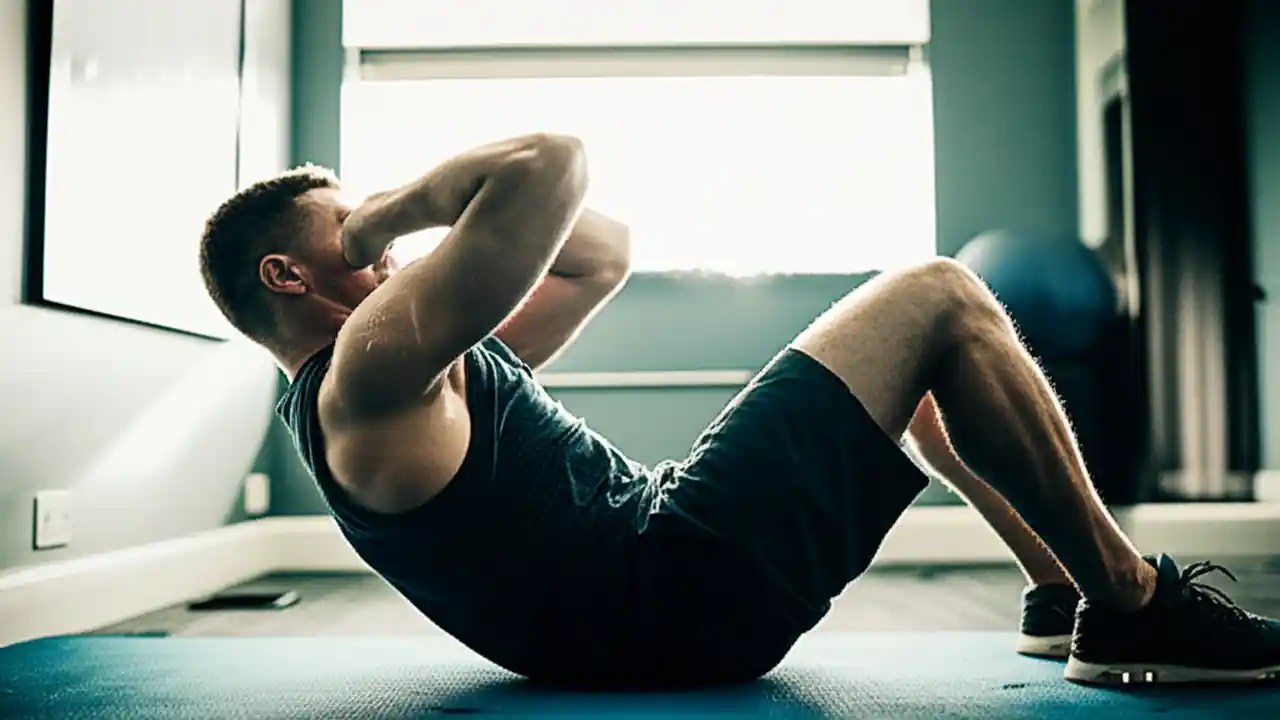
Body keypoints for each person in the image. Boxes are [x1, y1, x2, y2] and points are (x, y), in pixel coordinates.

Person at [199, 134, 1279, 688]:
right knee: (938, 292)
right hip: (675, 591)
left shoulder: (413, 374)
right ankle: (1132, 603)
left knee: (917, 367)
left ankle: (1060, 593)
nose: (381, 244)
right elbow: (550, 164)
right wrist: (393, 207)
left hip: (663, 574)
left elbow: (596, 251)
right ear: (291, 276)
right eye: (349, 236)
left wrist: (402, 229)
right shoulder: (365, 374)